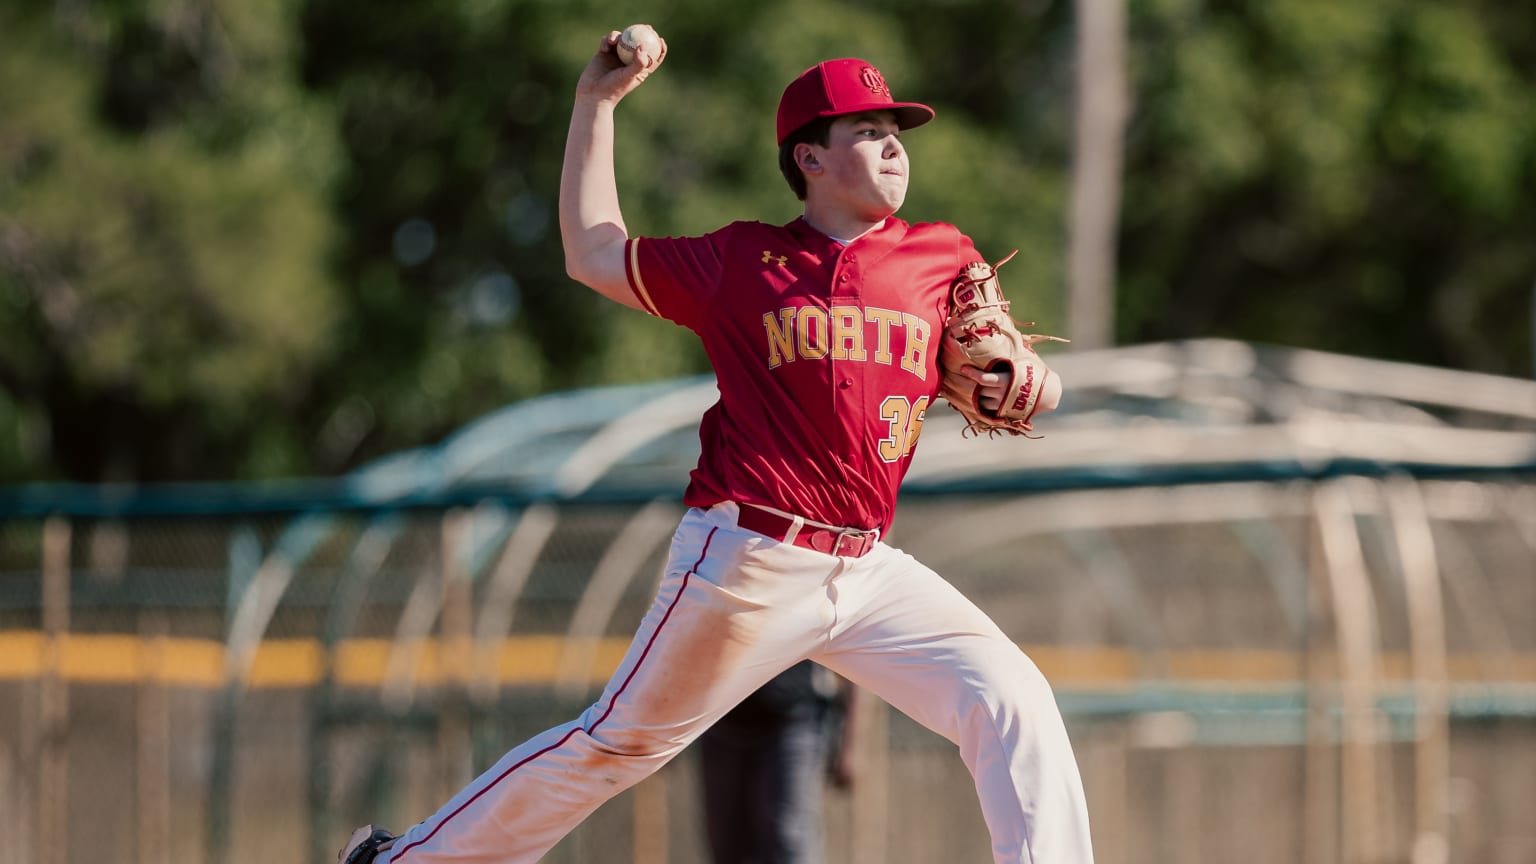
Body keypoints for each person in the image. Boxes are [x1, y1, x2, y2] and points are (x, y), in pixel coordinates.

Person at [340, 27, 1092, 864]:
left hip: (869, 567)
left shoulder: (939, 254)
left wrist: (1025, 381)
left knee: (1011, 694)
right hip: (751, 559)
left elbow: (1027, 375)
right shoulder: (743, 261)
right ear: (808, 157)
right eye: (867, 131)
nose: (891, 148)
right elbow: (591, 253)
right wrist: (596, 104)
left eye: (896, 133)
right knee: (617, 745)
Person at [696, 661, 864, 864]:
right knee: (726, 843)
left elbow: (860, 658)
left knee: (788, 836)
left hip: (795, 717)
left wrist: (852, 743)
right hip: (720, 720)